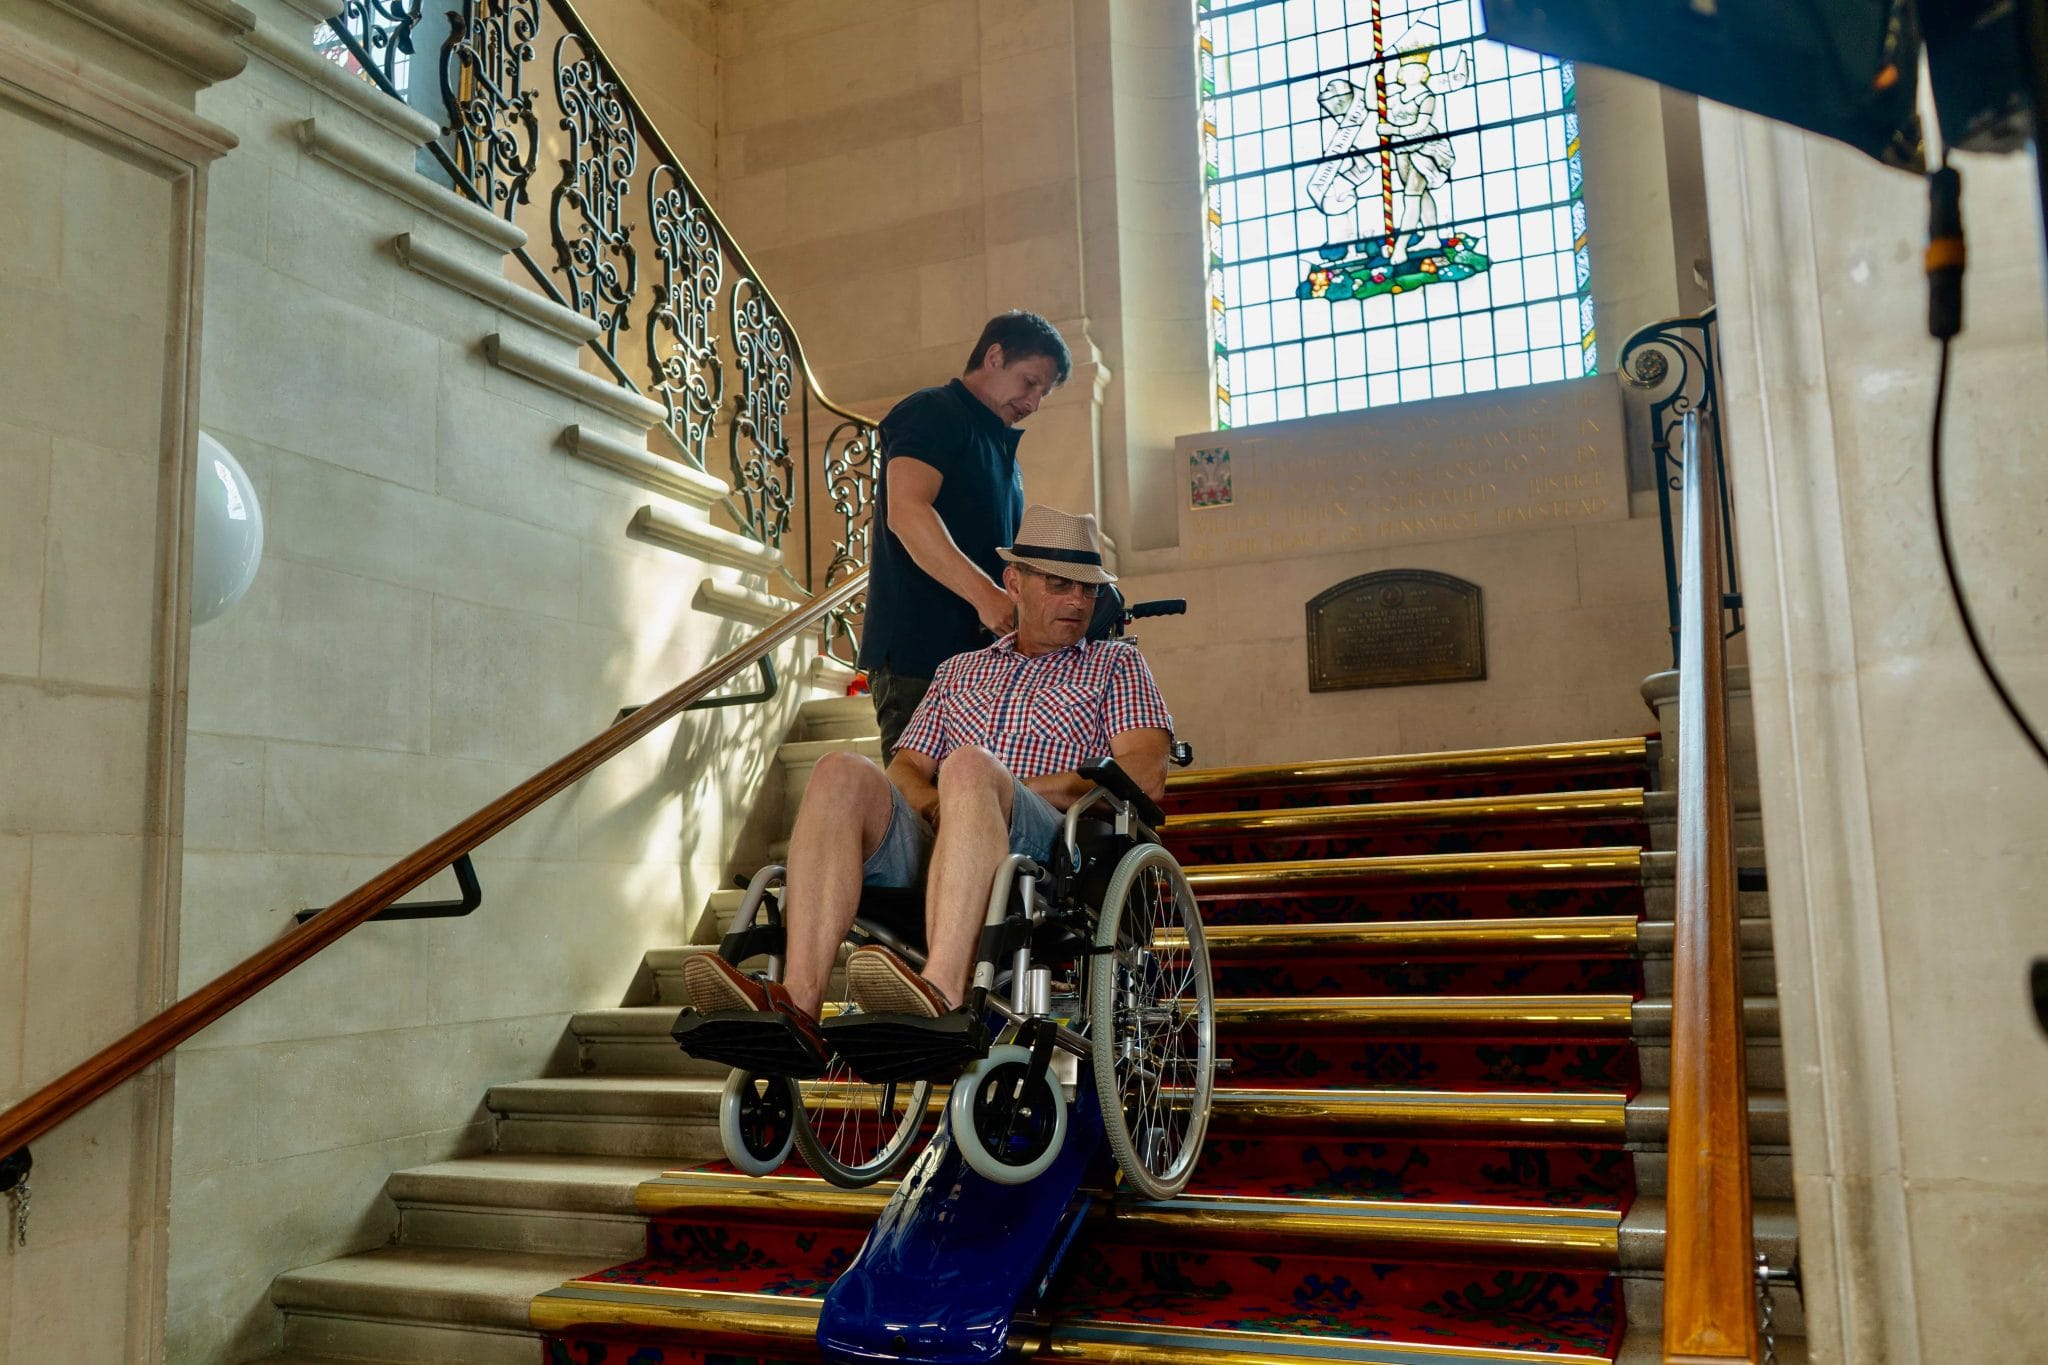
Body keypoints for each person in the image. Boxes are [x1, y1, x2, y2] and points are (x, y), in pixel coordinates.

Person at [681, 506, 1173, 1073]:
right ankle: (800, 1001)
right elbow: (905, 769)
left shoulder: (1115, 665)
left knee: (967, 765)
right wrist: (944, 803)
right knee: (840, 769)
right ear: (1013, 583)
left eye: (1088, 590)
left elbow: (1144, 775)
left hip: (1048, 846)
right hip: (946, 833)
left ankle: (941, 991)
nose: (1078, 602)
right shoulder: (959, 671)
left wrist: (994, 788)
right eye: (1060, 585)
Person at [857, 311, 1072, 759]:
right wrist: (987, 597)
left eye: (1043, 393)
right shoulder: (933, 410)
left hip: (978, 663)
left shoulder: (1001, 450)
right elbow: (908, 512)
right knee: (923, 814)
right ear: (994, 356)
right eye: (1030, 382)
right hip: (921, 659)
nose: (1033, 403)